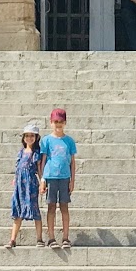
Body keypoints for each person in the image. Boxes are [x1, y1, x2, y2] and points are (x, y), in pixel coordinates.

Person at [39, 106, 77, 250]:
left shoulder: (69, 141)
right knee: (51, 207)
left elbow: (72, 162)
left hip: (65, 177)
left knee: (64, 207)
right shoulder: (46, 140)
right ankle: (51, 237)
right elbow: (43, 160)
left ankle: (66, 237)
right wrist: (42, 179)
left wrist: (72, 180)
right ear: (51, 122)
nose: (58, 124)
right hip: (51, 177)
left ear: (65, 123)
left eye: (60, 121)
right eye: (55, 121)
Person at [6, 123, 44, 249]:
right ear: (23, 138)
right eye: (27, 136)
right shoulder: (21, 152)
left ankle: (39, 238)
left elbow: (39, 168)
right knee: (18, 211)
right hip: (19, 184)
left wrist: (42, 181)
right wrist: (15, 179)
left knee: (35, 209)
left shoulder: (36, 153)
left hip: (31, 183)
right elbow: (18, 167)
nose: (29, 138)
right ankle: (12, 239)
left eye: (32, 136)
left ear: (36, 137)